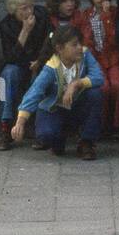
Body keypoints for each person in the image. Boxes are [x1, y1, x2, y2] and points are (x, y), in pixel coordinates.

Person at [11, 26, 105, 160]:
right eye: (74, 45)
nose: (79, 47)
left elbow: (98, 77)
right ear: (60, 48)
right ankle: (57, 140)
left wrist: (76, 84)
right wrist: (20, 122)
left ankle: (86, 142)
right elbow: (34, 92)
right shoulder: (51, 67)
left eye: (80, 43)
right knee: (46, 135)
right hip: (54, 109)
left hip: (78, 106)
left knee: (95, 94)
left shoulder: (85, 55)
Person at [0, 0, 49, 151]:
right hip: (19, 66)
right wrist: (25, 31)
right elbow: (10, 57)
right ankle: (5, 128)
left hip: (40, 63)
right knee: (6, 75)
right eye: (23, 9)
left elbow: (52, 41)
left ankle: (41, 131)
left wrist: (40, 61)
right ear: (13, 9)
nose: (29, 12)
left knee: (44, 75)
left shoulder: (42, 15)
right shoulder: (6, 26)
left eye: (31, 6)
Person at [75, 0, 119, 133]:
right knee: (102, 88)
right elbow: (83, 40)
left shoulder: (116, 13)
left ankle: (116, 124)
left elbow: (114, 39)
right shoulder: (85, 15)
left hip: (113, 58)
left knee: (118, 86)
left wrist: (107, 17)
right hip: (95, 60)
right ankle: (101, 124)